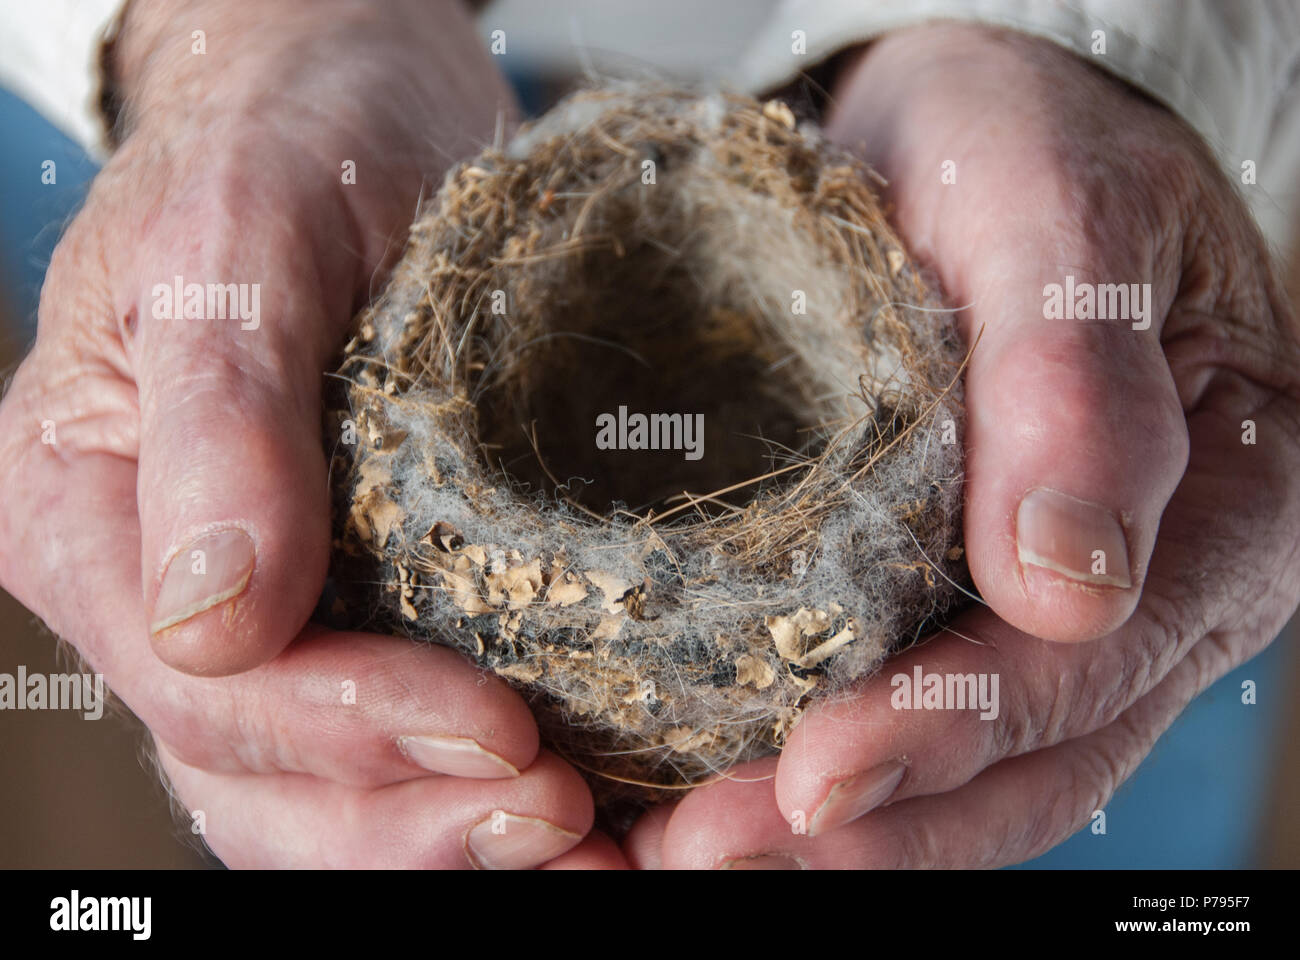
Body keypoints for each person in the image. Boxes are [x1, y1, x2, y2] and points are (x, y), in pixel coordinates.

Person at [0, 0, 1297, 869]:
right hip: (253, 82)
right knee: (292, 743)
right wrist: (217, 32)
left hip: (961, 158)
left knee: (1069, 740)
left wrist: (1097, 36)